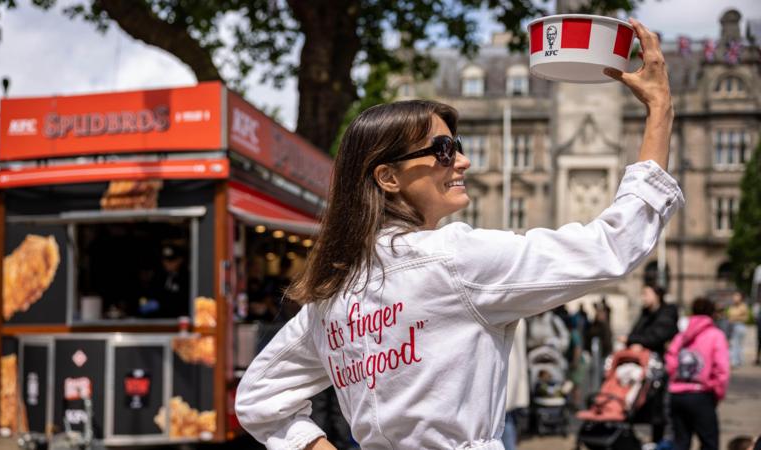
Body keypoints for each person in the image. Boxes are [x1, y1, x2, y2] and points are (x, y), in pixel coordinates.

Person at [235, 19, 681, 450]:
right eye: (444, 150)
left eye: (459, 146)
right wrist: (659, 110)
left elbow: (259, 396)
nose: (463, 161)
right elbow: (612, 245)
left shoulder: (336, 290)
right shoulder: (456, 259)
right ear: (388, 177)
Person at [665, 298, 729, 450]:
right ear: (712, 313)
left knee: (680, 442)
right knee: (709, 442)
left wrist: (676, 378)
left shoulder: (682, 335)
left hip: (677, 394)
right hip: (701, 393)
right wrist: (717, 391)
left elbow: (670, 359)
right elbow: (722, 369)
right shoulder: (715, 335)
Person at [622, 284, 678, 444]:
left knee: (658, 410)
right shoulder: (646, 313)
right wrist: (634, 340)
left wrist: (633, 340)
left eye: (646, 293)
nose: (643, 297)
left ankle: (658, 442)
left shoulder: (667, 313)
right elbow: (637, 332)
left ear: (657, 295)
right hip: (644, 367)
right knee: (634, 404)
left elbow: (657, 336)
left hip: (661, 368)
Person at [503, 319, 529, 450]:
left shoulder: (513, 318)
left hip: (507, 376)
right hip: (512, 376)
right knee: (508, 420)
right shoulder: (519, 319)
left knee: (505, 421)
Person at [726, 291, 749, 367]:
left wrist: (735, 318)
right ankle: (737, 361)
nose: (735, 298)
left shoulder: (743, 306)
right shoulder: (732, 306)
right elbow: (729, 315)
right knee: (734, 344)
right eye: (734, 296)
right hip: (732, 326)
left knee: (737, 344)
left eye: (737, 296)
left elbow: (745, 318)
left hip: (740, 326)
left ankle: (736, 362)